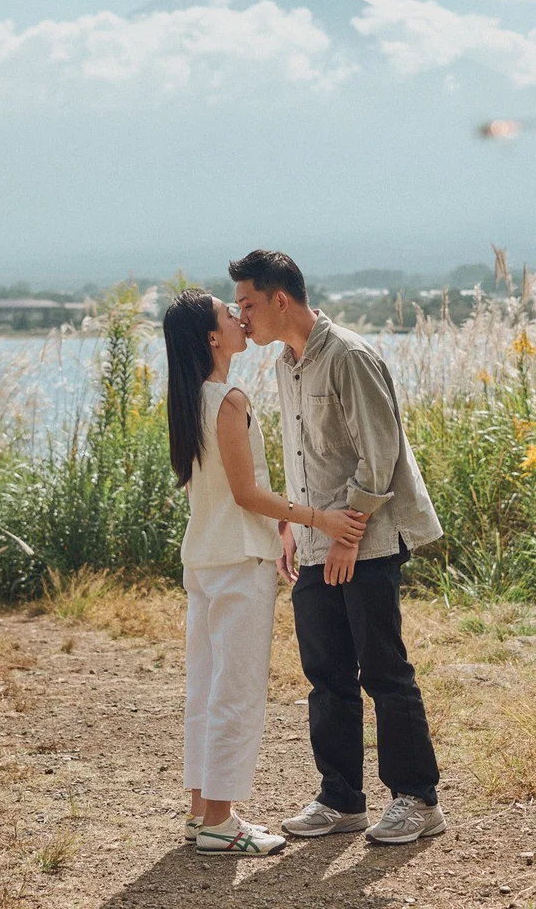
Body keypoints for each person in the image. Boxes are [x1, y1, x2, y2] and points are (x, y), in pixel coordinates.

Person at [228, 252, 447, 845]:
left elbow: (380, 457)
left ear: (280, 299)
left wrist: (348, 534)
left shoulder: (348, 355)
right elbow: (305, 457)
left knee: (383, 671)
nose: (240, 316)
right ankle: (342, 799)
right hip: (316, 541)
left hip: (367, 539)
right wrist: (290, 530)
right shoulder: (284, 364)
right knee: (325, 675)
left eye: (247, 303)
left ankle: (418, 800)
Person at [162, 287, 367, 856]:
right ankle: (223, 823)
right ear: (211, 337)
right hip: (236, 563)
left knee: (207, 688)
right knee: (237, 691)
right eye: (230, 315)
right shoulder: (227, 398)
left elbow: (227, 493)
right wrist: (315, 519)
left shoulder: (192, 398)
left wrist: (284, 526)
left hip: (205, 559)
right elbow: (247, 493)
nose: (240, 319)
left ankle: (203, 813)